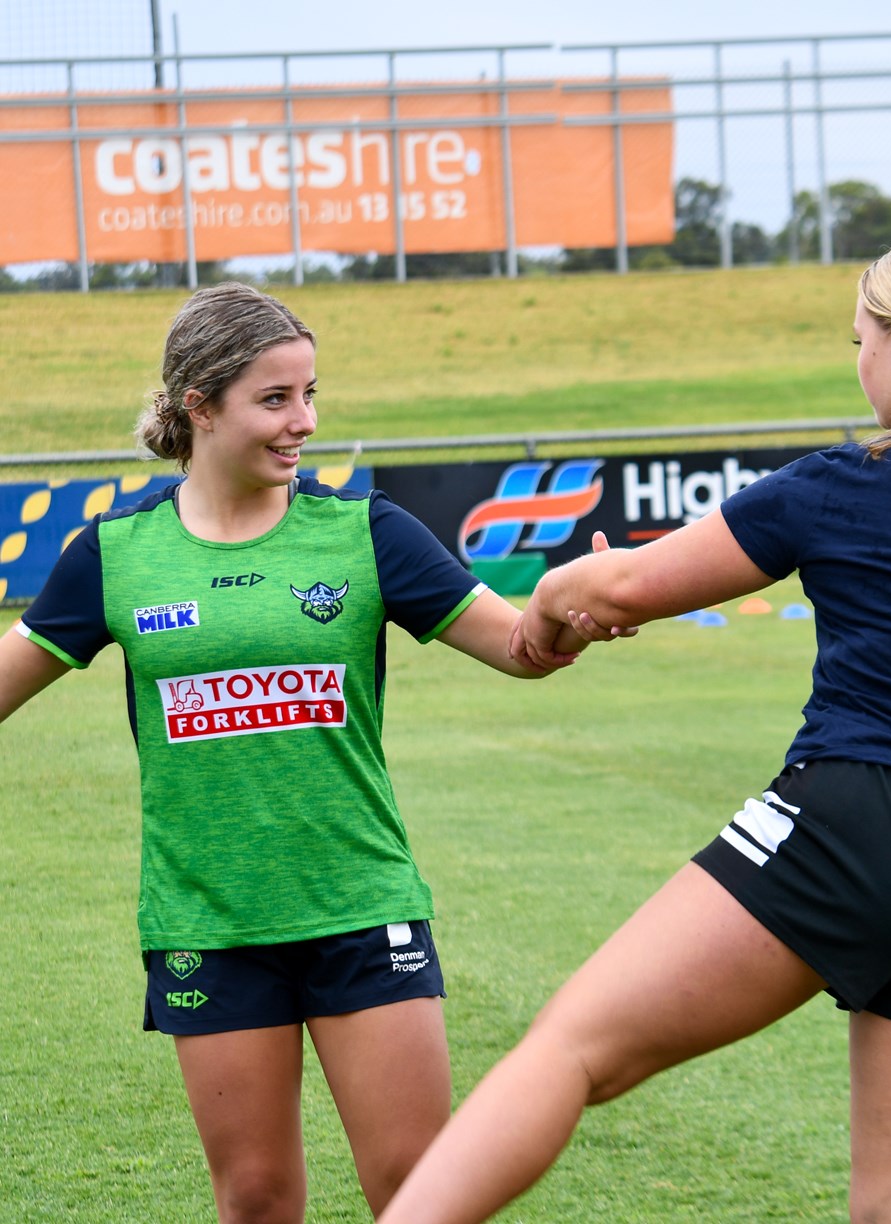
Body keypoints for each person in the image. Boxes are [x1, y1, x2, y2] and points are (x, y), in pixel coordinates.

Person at [377, 230, 891, 1224]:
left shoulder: (834, 487)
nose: (856, 360)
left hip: (852, 817)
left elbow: (629, 583)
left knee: (571, 1049)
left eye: (857, 338)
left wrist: (554, 602)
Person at [0, 282, 590, 1224]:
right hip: (210, 925)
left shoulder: (365, 533)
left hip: (361, 908)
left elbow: (522, 650)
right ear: (200, 405)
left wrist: (574, 612)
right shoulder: (116, 552)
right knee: (258, 1200)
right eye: (276, 400)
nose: (304, 422)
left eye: (310, 394)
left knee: (420, 1192)